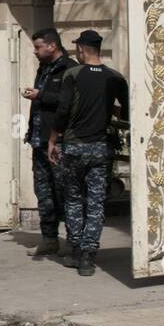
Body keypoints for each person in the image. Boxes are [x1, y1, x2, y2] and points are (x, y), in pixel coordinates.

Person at [48, 30, 129, 277]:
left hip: (74, 146)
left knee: (73, 198)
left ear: (82, 50)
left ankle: (74, 248)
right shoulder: (115, 78)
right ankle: (88, 257)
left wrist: (53, 139)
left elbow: (62, 111)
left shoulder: (73, 74)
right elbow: (126, 112)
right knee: (95, 203)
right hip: (100, 148)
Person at [21, 28, 76, 256]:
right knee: (43, 192)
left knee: (66, 192)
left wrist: (40, 95)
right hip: (39, 140)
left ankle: (74, 240)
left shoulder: (69, 69)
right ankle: (49, 238)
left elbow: (68, 102)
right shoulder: (44, 68)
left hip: (58, 142)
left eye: (38, 47)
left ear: (52, 46)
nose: (35, 52)